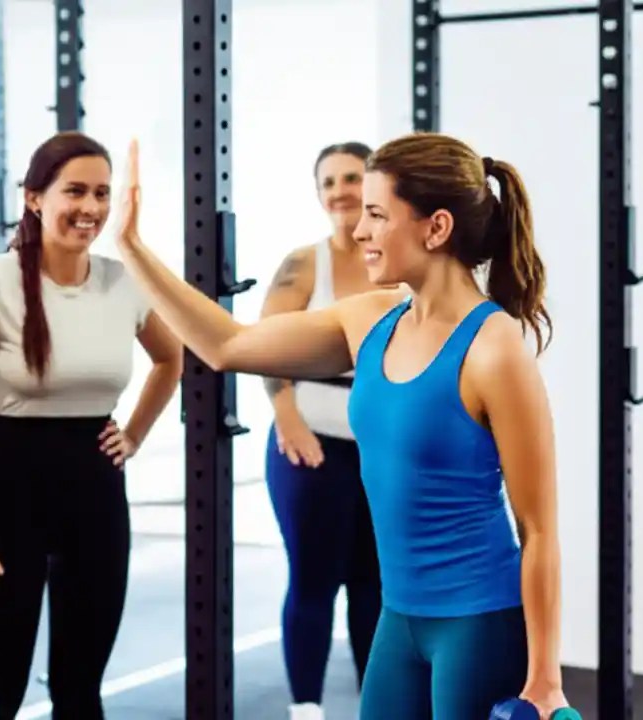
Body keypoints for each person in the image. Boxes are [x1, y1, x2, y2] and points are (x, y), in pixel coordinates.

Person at [112, 134, 569, 719]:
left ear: (436, 228)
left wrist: (545, 678)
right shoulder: (370, 320)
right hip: (398, 621)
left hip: (478, 620)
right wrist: (131, 247)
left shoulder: (494, 348)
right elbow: (228, 345)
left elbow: (538, 530)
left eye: (377, 214)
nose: (359, 231)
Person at [0, 131, 183, 720]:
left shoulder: (119, 282)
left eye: (102, 193)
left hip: (98, 492)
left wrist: (133, 433)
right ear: (33, 198)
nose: (91, 208)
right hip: (13, 493)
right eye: (75, 191)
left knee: (81, 689)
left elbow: (171, 356)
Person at [260, 142, 383, 720]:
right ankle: (305, 709)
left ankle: (377, 704)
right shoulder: (305, 263)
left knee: (375, 587)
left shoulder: (397, 260)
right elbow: (265, 343)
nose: (341, 191)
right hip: (309, 445)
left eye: (352, 178)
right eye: (329, 181)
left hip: (382, 452)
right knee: (313, 580)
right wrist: (287, 416)